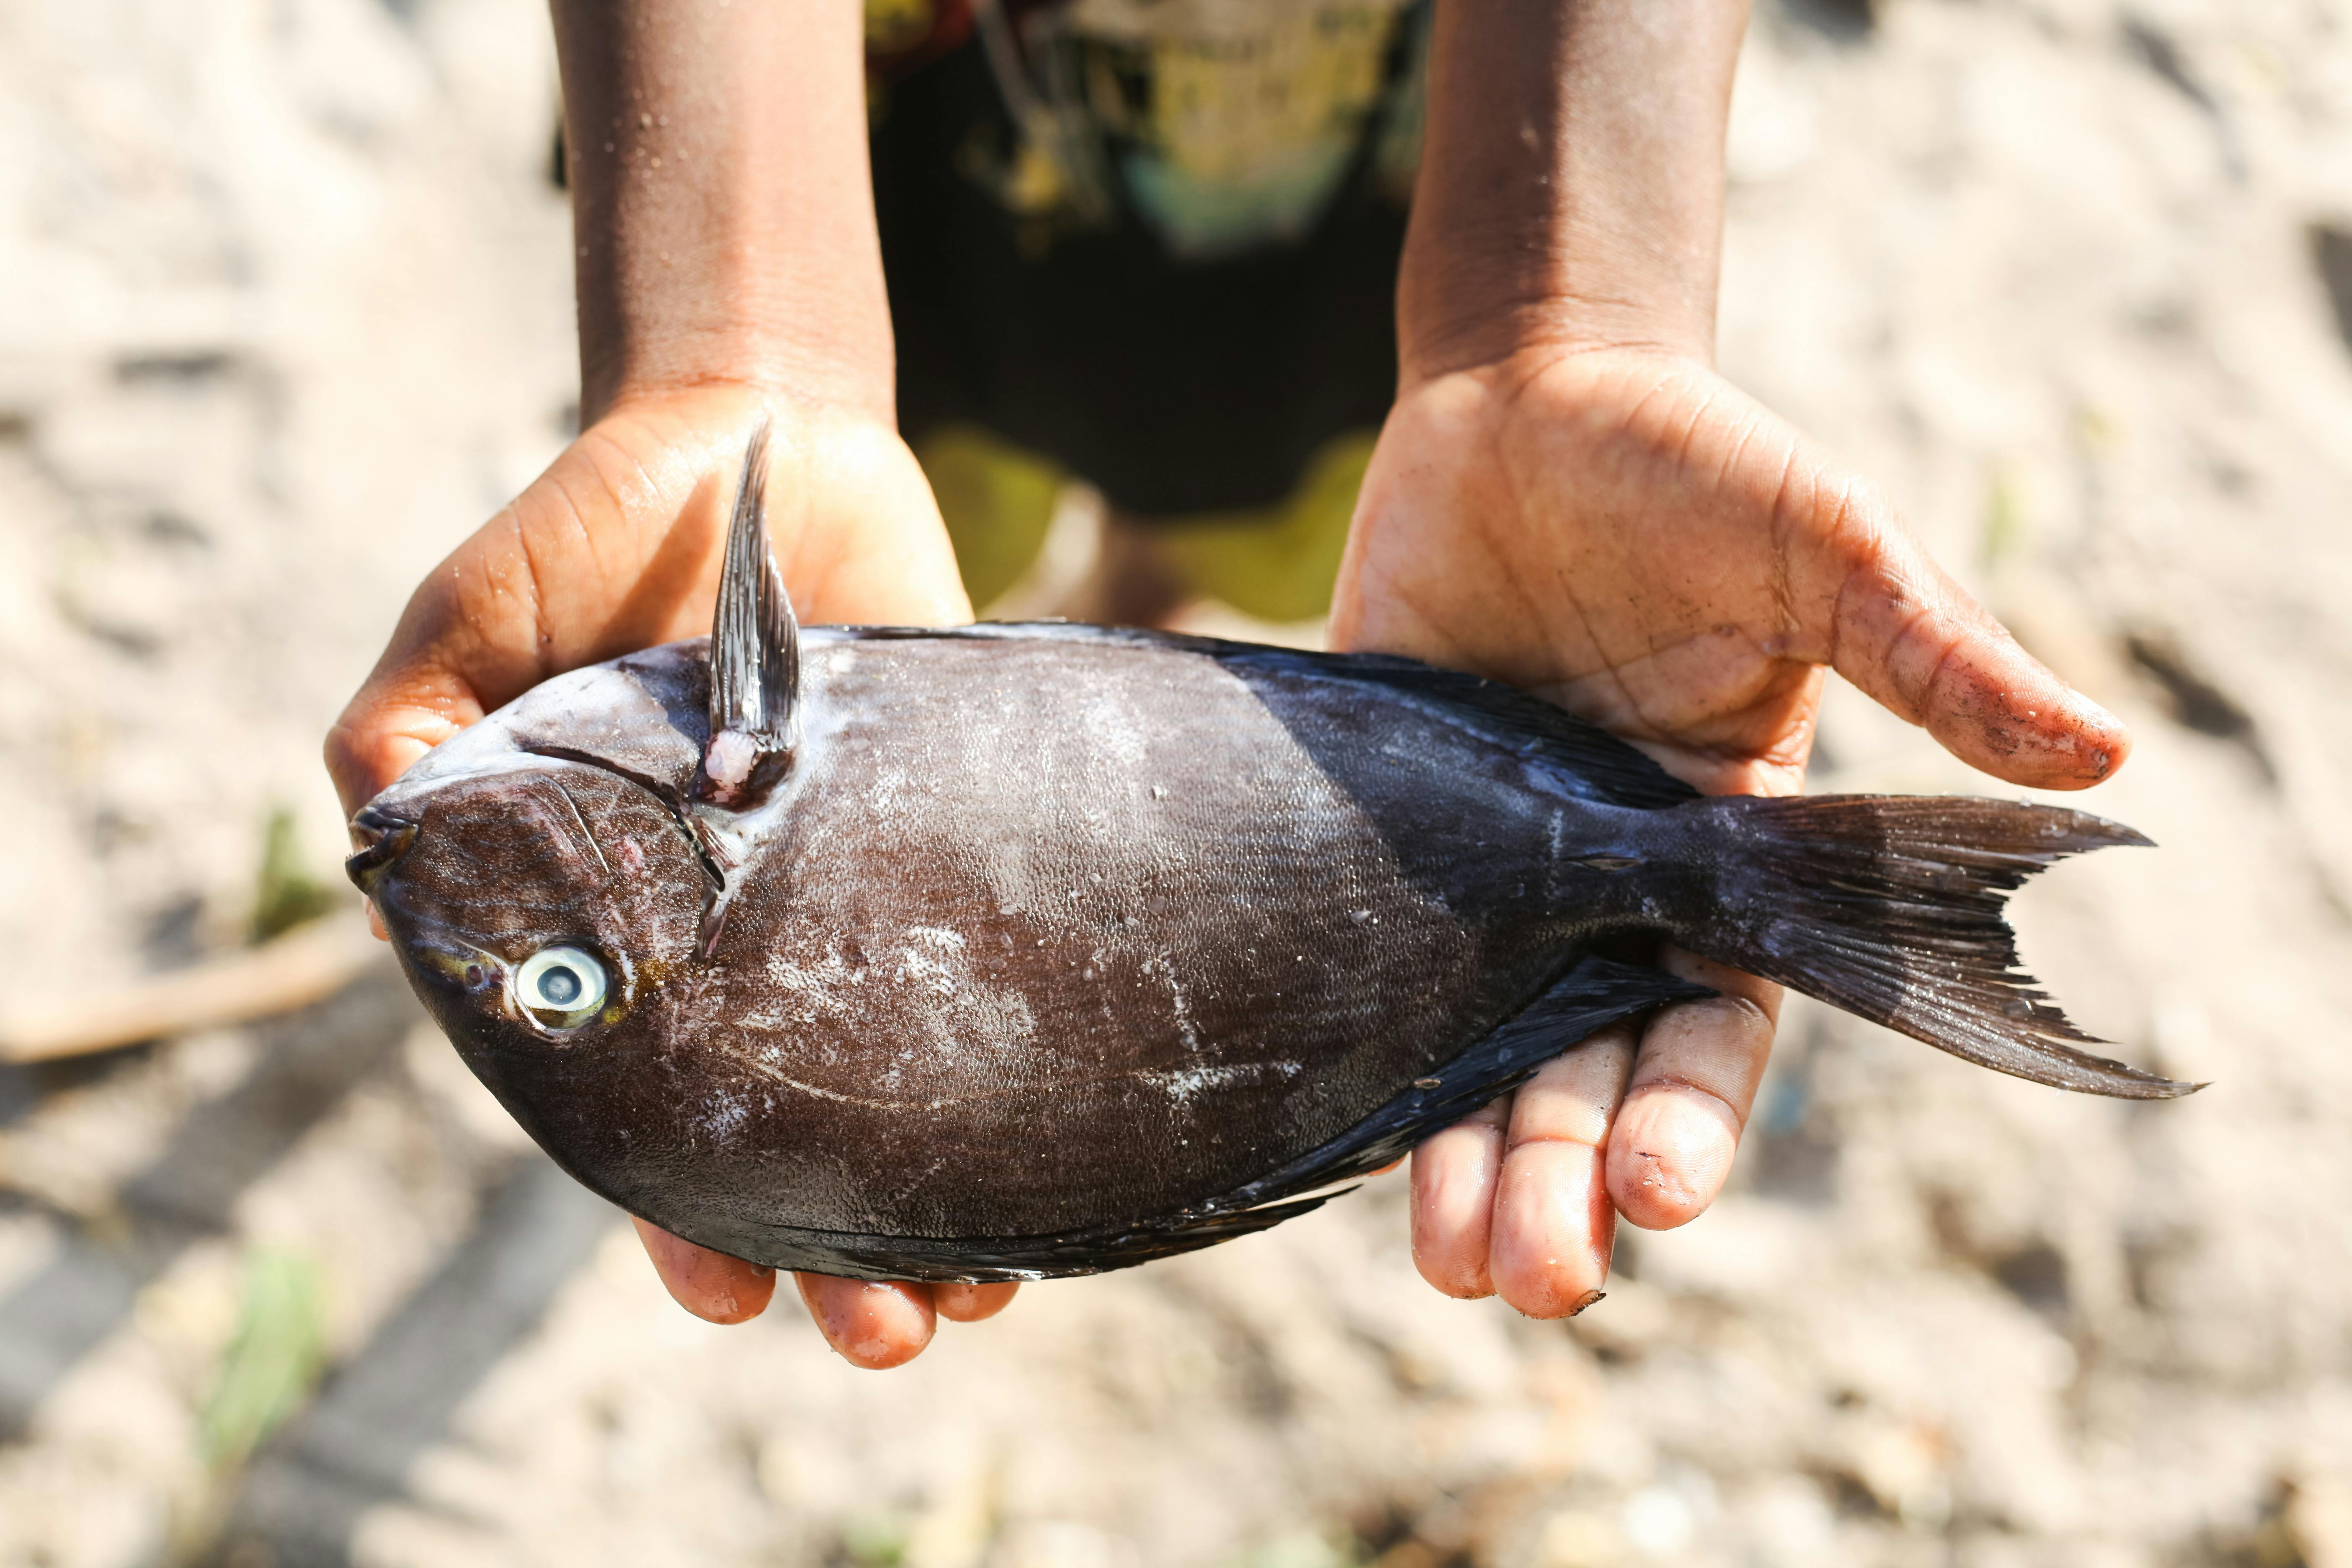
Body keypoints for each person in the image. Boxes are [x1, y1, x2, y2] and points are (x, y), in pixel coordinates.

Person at [326, 0, 2130, 1369]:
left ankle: (1143, 599)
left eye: (564, 983)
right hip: (895, 181)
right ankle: (1140, 613)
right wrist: (738, 346)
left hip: (1375, 230)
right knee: (971, 509)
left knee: (1244, 519)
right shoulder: (702, 742)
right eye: (553, 978)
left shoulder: (695, 753)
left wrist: (1555, 316)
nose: (468, 915)